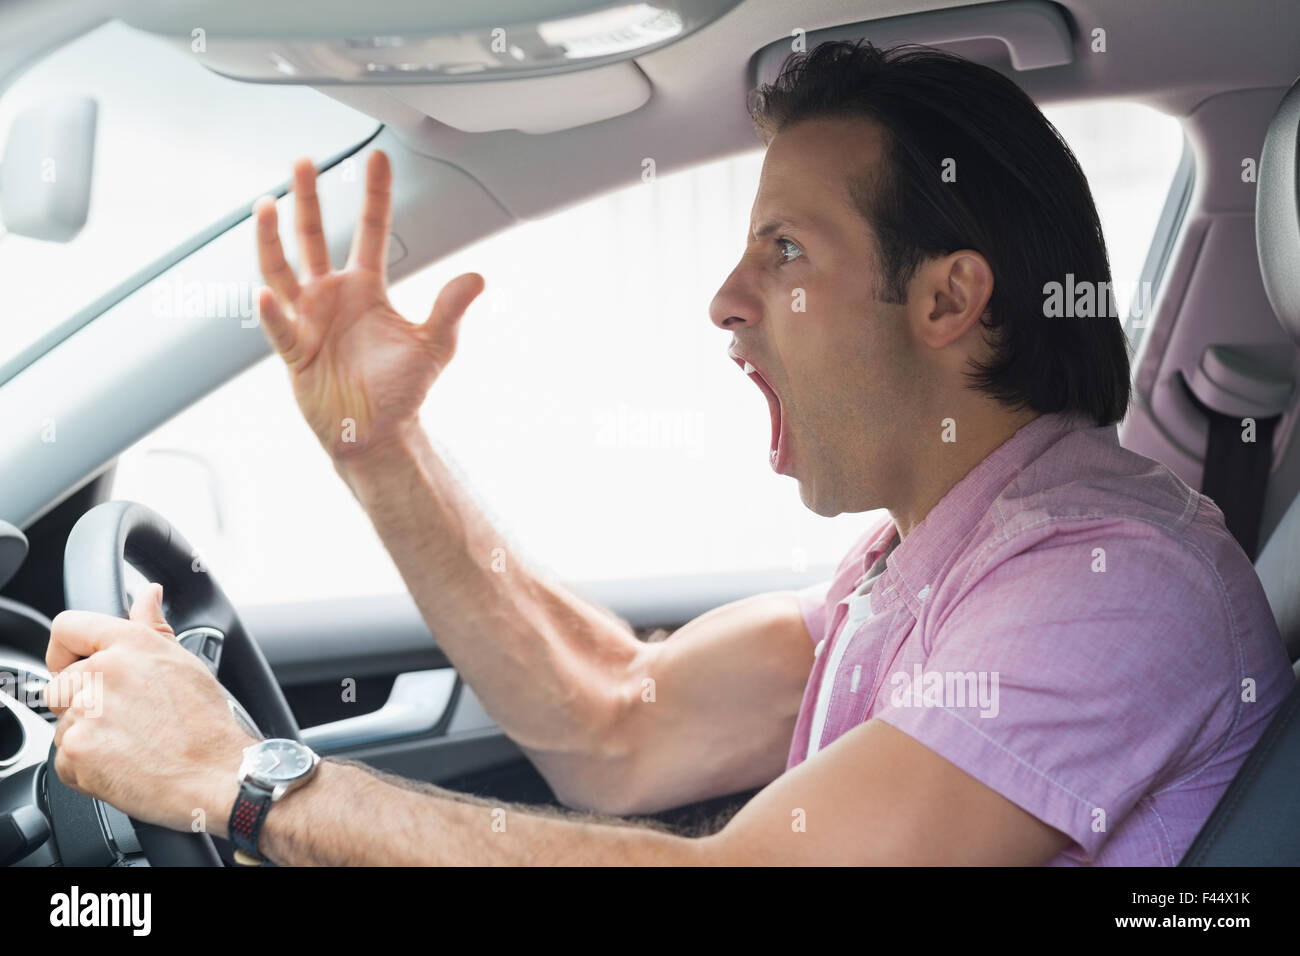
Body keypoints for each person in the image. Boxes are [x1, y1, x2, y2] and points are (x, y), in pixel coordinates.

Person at [47, 40, 1293, 865]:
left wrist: (241, 774)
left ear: (946, 297)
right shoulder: (926, 558)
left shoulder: (1112, 584)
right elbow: (612, 723)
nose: (724, 299)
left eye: (784, 252)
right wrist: (384, 449)